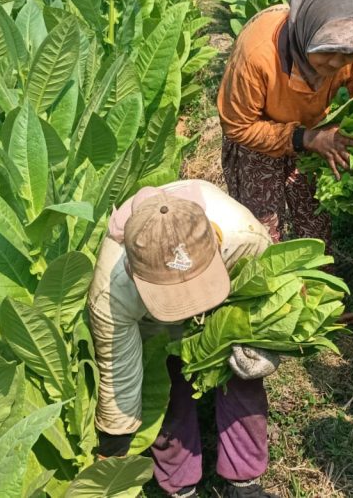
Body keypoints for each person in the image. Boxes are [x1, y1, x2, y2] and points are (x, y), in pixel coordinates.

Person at [89, 180, 283, 498]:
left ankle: (244, 484)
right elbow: (118, 372)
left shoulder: (244, 235)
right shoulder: (113, 290)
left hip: (225, 306)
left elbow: (273, 300)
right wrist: (113, 449)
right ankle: (180, 487)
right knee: (165, 388)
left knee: (242, 375)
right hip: (156, 329)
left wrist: (265, 346)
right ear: (132, 270)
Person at [218, 0, 353, 245]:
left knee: (314, 218)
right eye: (327, 50)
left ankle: (318, 282)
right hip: (256, 134)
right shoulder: (257, 54)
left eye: (347, 55)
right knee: (261, 228)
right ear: (308, 32)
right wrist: (304, 138)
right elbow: (238, 125)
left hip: (315, 129)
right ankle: (267, 284)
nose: (336, 63)